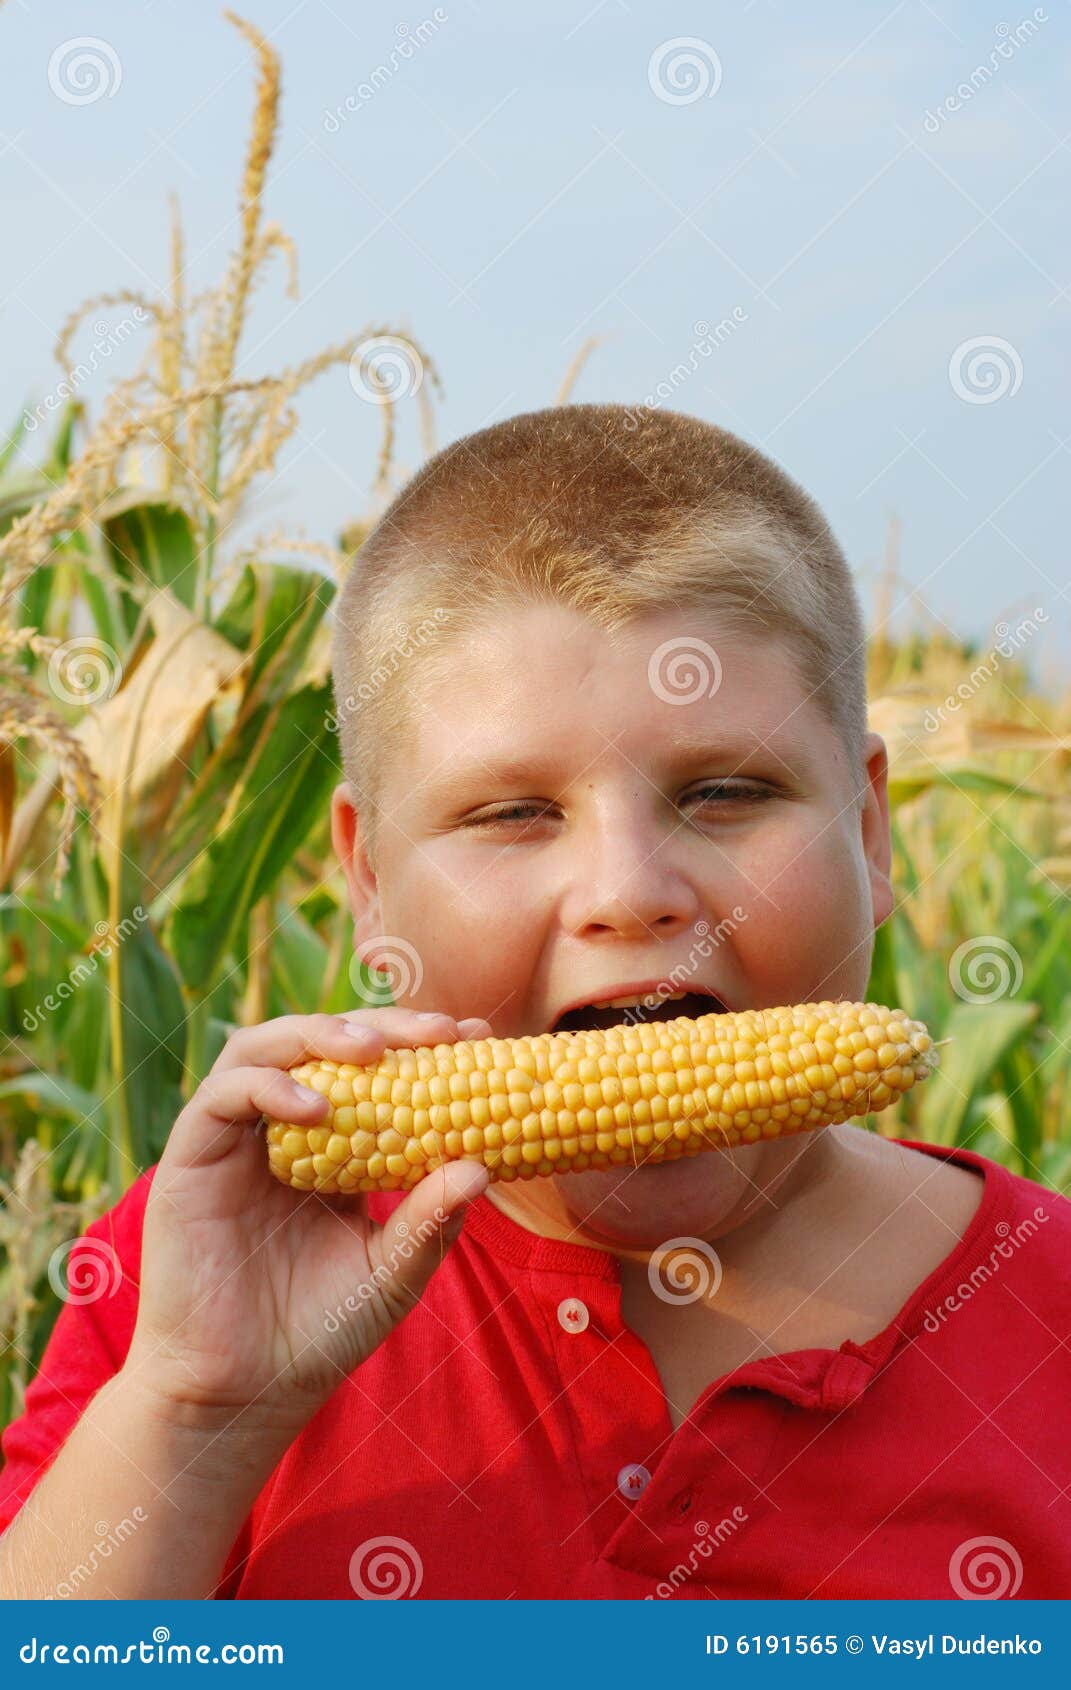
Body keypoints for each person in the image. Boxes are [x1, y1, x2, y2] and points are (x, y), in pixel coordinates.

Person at [2, 404, 1068, 1600]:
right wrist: (197, 1419)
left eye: (725, 789)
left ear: (868, 832)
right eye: (512, 814)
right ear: (367, 879)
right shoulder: (193, 1282)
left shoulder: (1048, 1316)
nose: (626, 892)